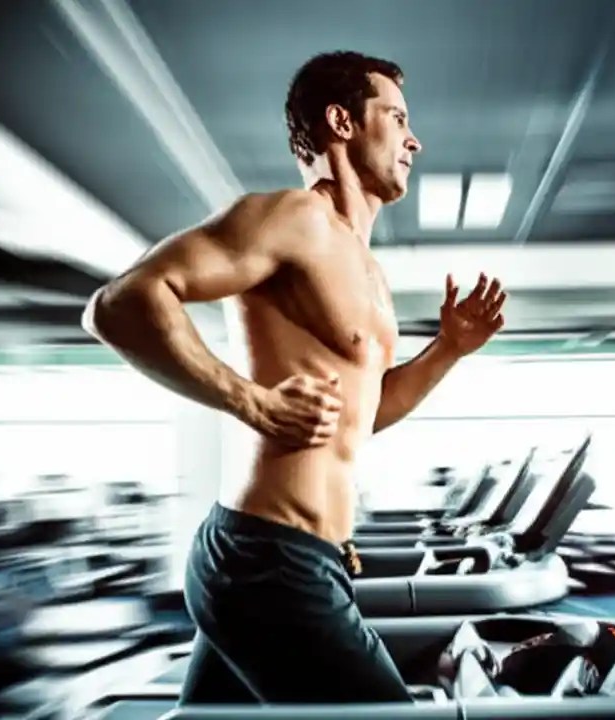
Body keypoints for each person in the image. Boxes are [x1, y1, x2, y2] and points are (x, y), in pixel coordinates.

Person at [82, 50, 507, 704]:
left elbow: (360, 417)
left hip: (295, 560)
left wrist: (447, 350)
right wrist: (249, 402)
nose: (413, 139)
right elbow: (119, 304)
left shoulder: (364, 266)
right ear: (342, 122)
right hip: (271, 563)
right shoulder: (293, 218)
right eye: (395, 117)